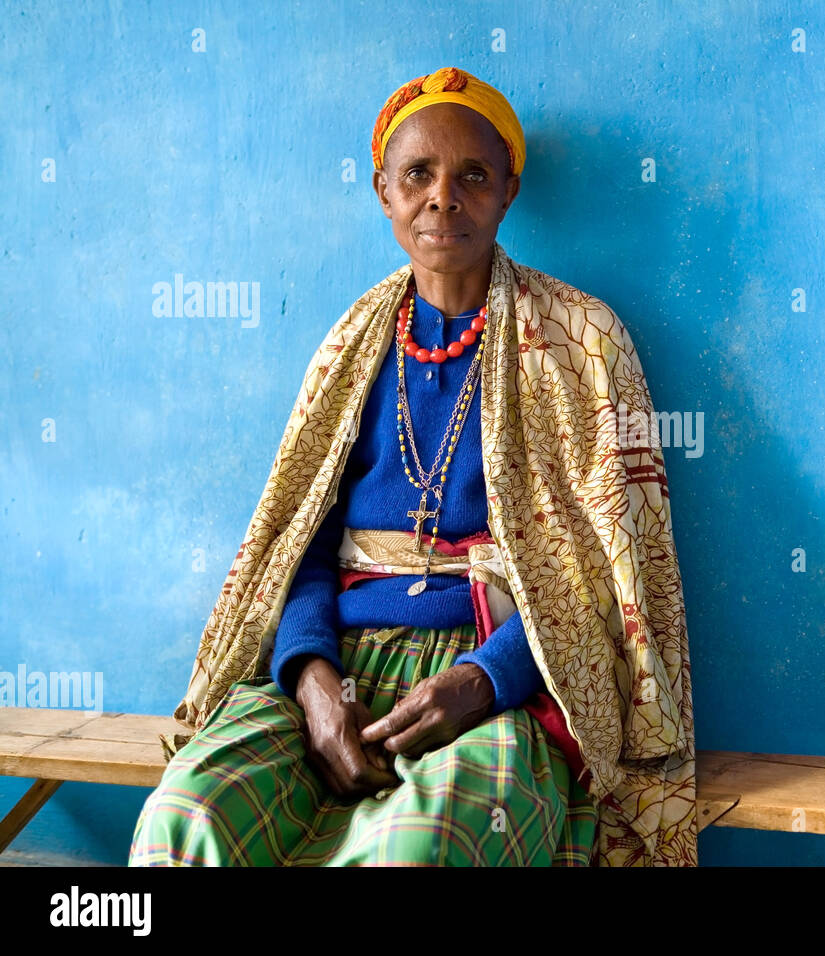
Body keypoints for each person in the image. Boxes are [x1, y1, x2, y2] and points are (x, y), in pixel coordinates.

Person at [129, 67, 698, 867]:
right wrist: (313, 680)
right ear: (384, 193)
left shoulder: (584, 341)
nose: (443, 197)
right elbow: (295, 546)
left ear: (508, 191)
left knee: (421, 851)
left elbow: (609, 580)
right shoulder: (350, 343)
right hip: (338, 666)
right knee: (184, 818)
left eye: (473, 175)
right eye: (418, 176)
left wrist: (483, 680)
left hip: (508, 679)